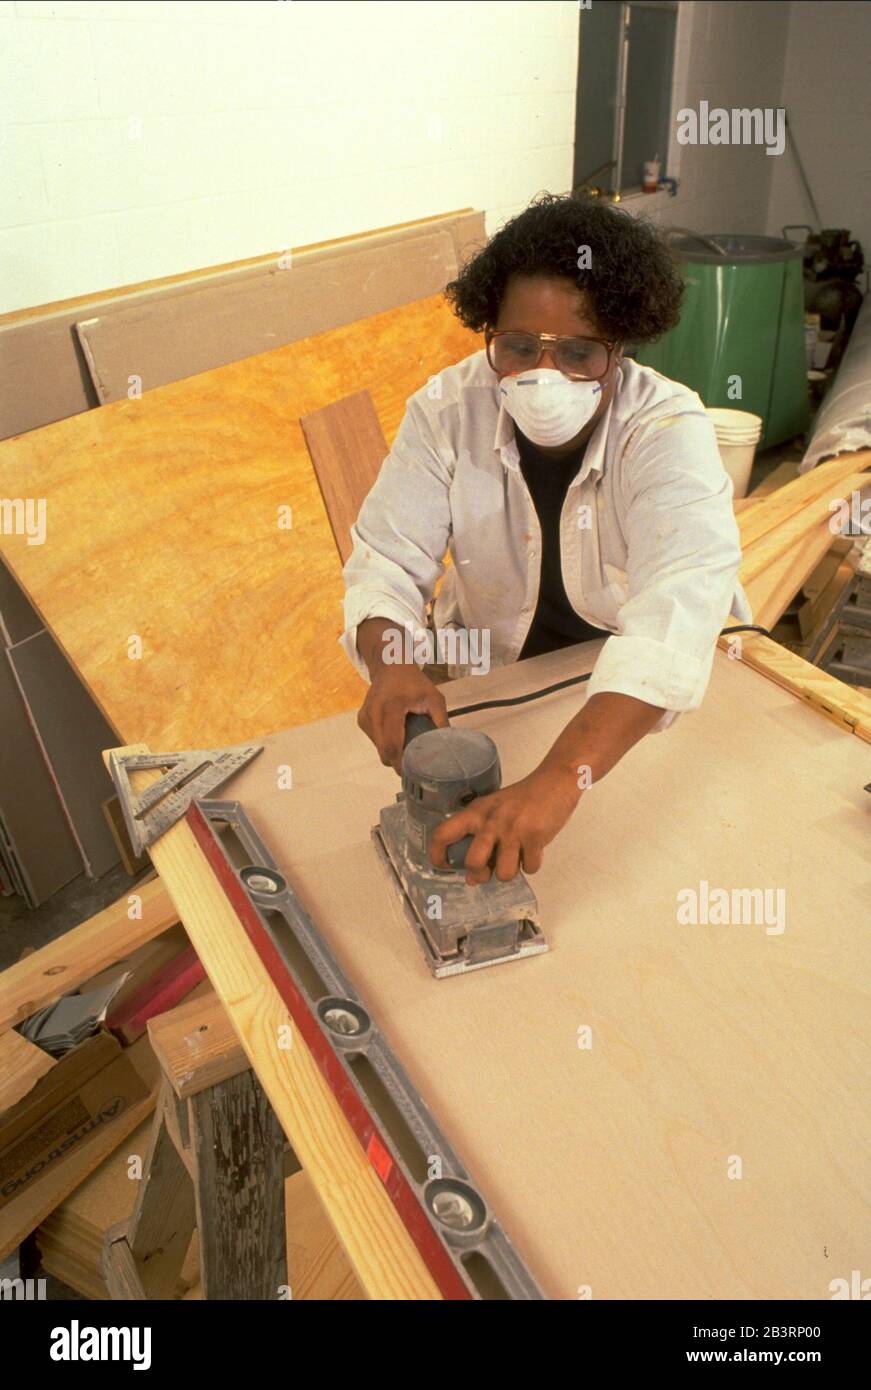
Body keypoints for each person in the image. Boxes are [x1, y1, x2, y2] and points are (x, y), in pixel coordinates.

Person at [341, 192, 750, 886]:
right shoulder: (447, 410)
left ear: (618, 346)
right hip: (506, 673)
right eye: (519, 347)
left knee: (659, 866)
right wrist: (394, 663)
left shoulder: (665, 431)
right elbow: (387, 557)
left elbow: (670, 619)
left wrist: (562, 777)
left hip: (631, 697)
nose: (543, 374)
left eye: (579, 353)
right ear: (489, 332)